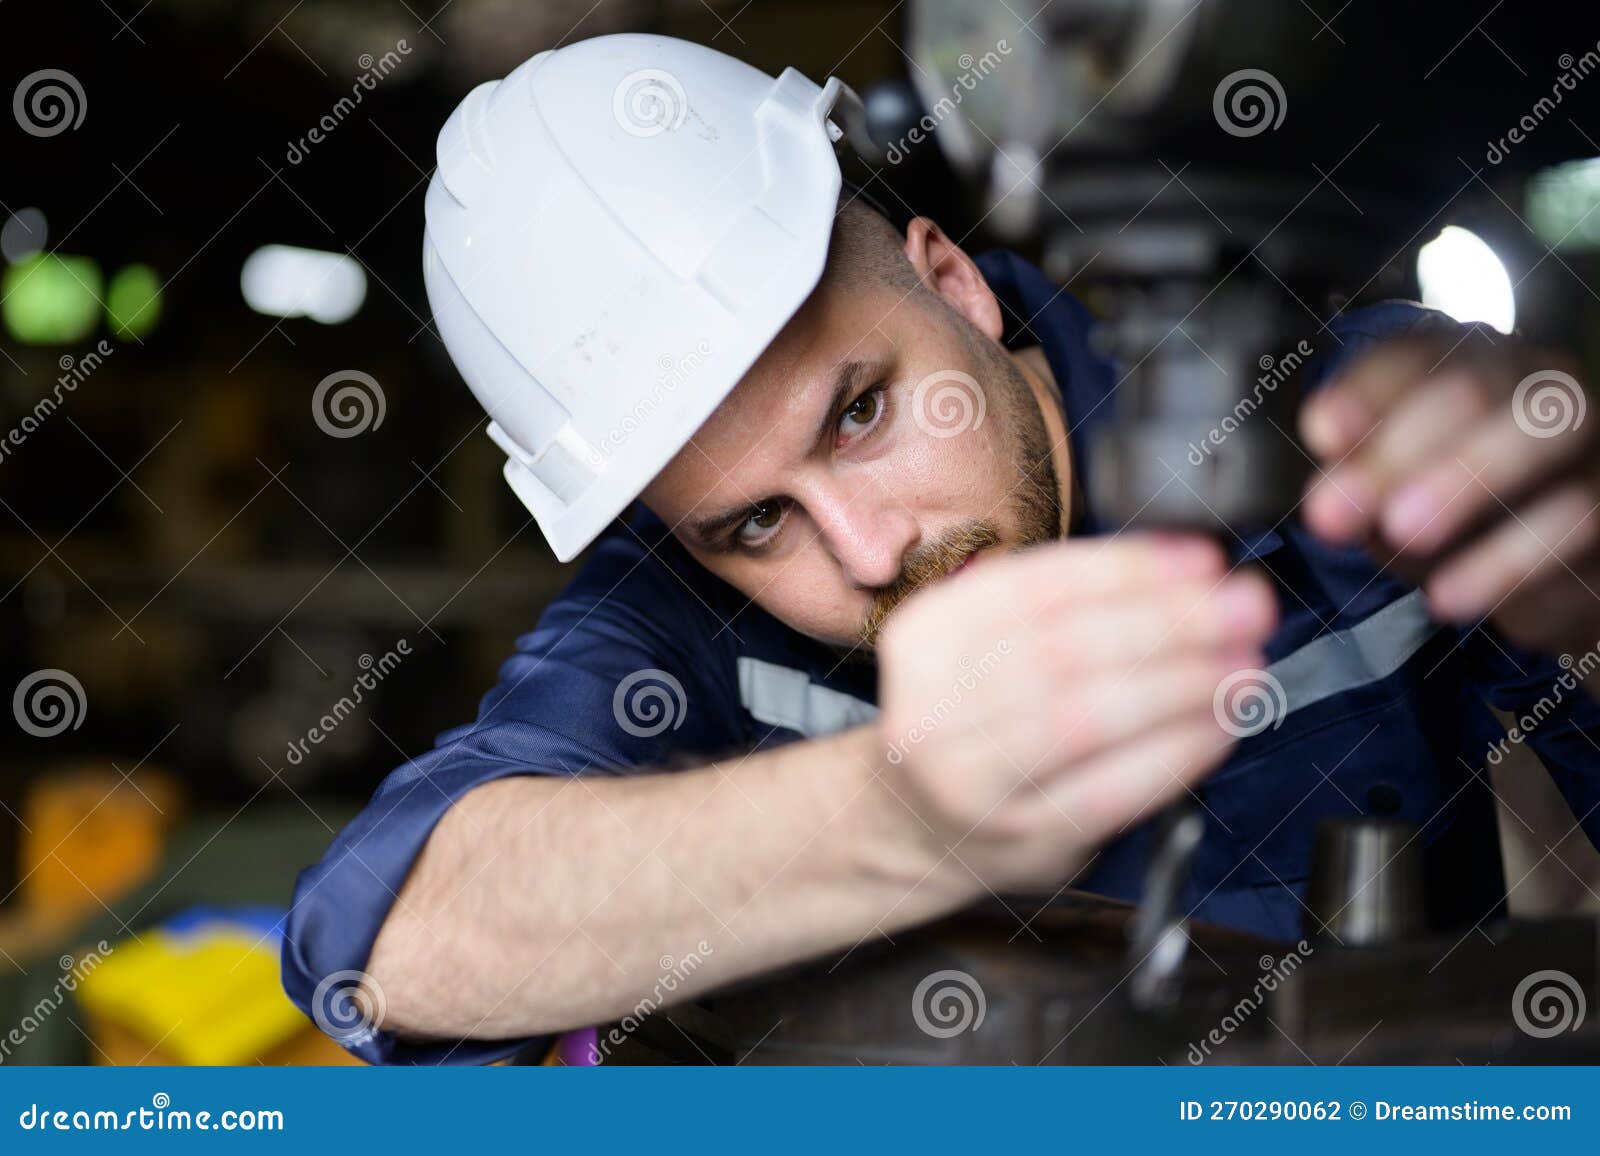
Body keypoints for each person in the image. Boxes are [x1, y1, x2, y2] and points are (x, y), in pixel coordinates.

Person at [281, 34, 1600, 1064]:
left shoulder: (1345, 439)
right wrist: (905, 813)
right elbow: (390, 937)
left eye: (861, 411)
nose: (868, 552)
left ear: (952, 278)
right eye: (755, 522)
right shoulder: (677, 615)